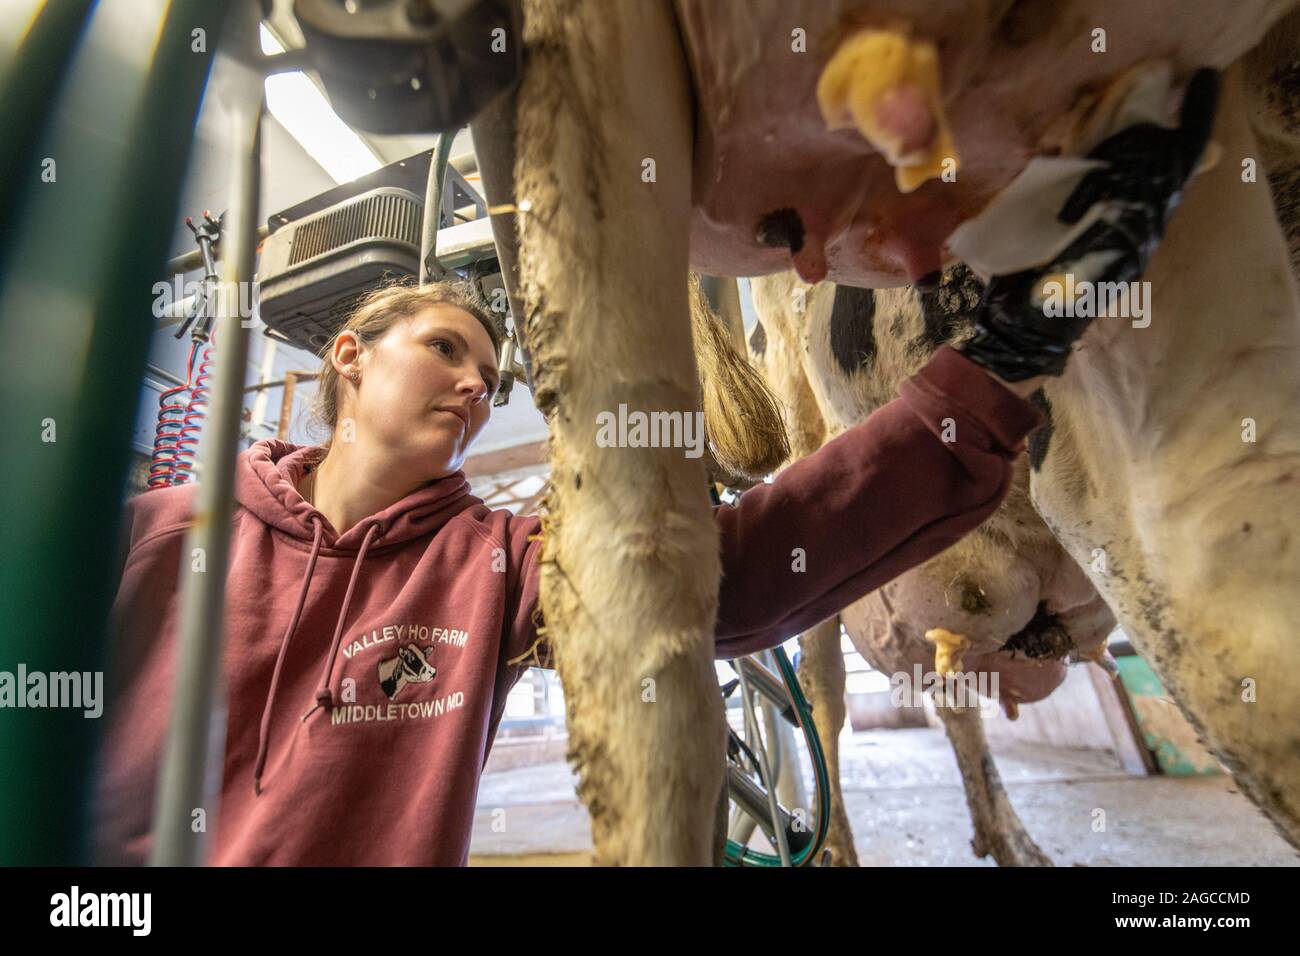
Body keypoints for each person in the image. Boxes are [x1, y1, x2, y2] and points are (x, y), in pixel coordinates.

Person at [94, 71, 1218, 865]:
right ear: (346, 356)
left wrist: (994, 374)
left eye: (491, 375)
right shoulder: (152, 532)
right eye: (445, 348)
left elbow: (723, 575)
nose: (477, 387)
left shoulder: (495, 562)